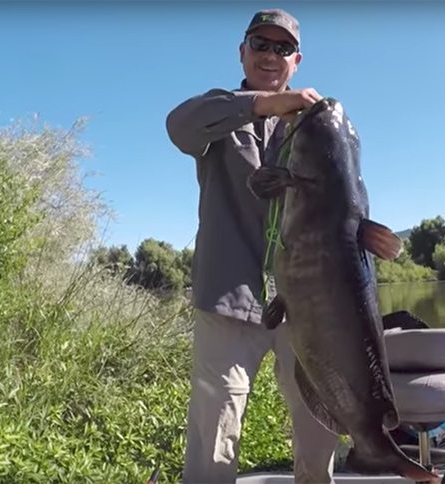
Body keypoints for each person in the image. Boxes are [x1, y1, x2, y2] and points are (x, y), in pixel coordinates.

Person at [165, 7, 340, 484]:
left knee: (318, 420)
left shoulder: (314, 126)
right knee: (215, 428)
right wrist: (264, 104)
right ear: (242, 52)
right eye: (260, 44)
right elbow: (178, 126)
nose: (270, 55)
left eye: (283, 48)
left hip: (303, 304)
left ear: (296, 61)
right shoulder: (219, 113)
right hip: (229, 297)